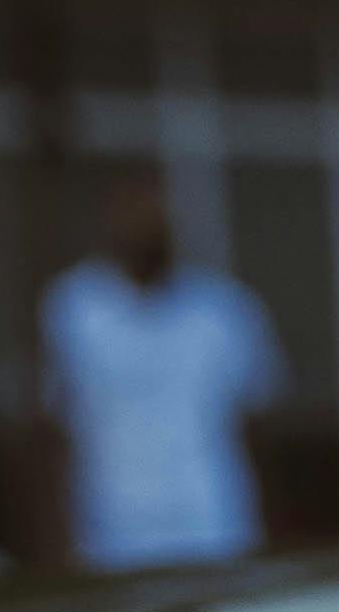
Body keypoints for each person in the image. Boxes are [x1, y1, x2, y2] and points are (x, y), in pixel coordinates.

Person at [40, 177, 282, 572]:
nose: (143, 228)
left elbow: (256, 417)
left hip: (213, 524)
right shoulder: (72, 307)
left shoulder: (221, 309)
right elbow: (52, 425)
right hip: (110, 534)